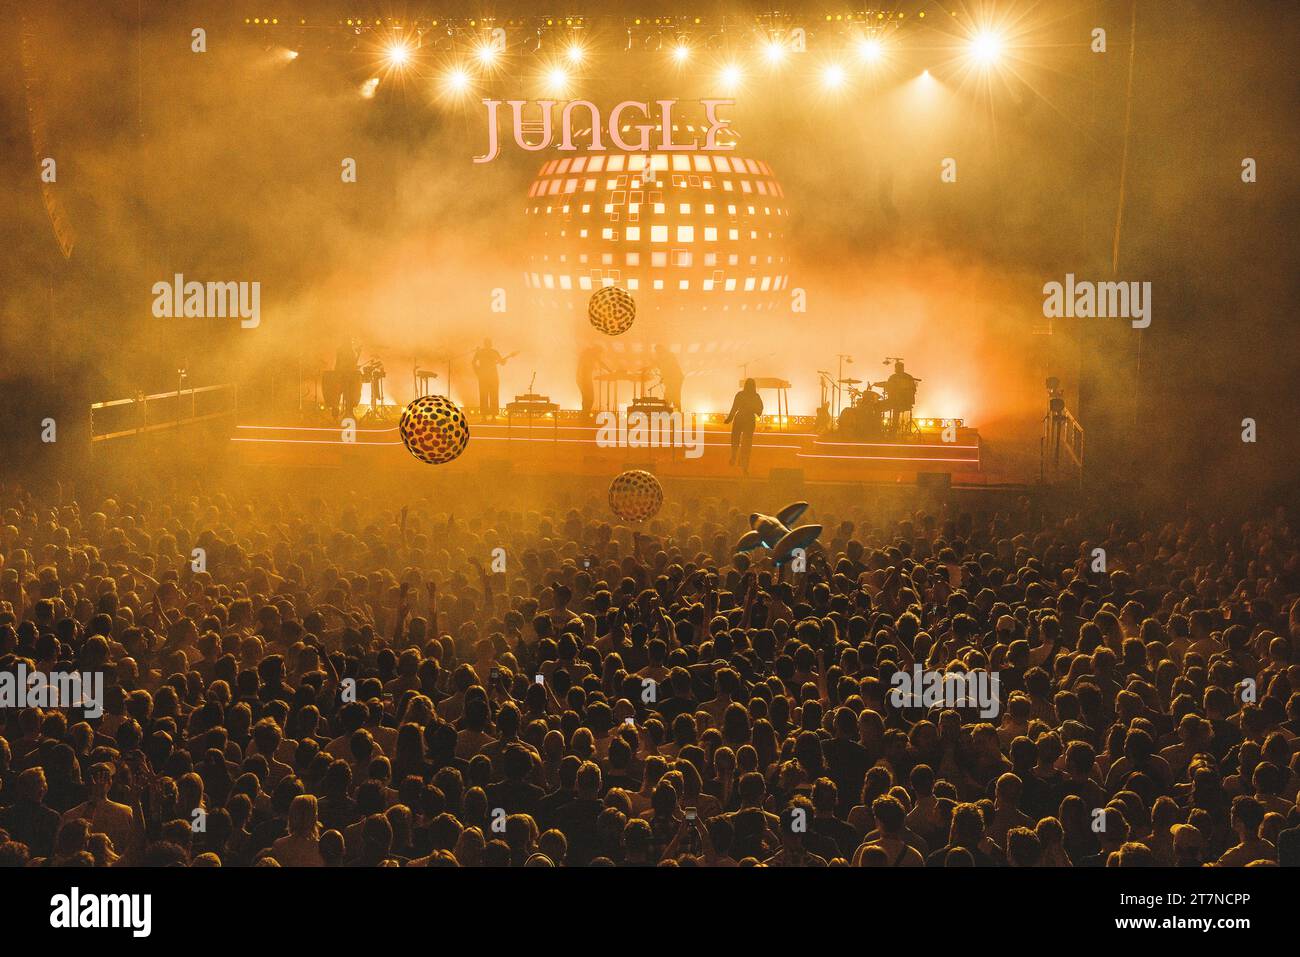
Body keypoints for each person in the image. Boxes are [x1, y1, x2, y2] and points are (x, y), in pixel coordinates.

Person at [724, 378, 764, 474]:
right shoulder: (756, 396)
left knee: (735, 438)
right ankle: (744, 466)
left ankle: (733, 456)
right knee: (747, 444)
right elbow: (760, 410)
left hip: (739, 418)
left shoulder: (740, 395)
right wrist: (753, 409)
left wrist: (729, 419)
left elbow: (734, 408)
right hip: (750, 420)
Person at [472, 338, 509, 417]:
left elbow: (501, 362)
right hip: (486, 376)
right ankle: (488, 416)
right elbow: (473, 362)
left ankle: (490, 416)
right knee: (488, 396)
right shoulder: (484, 352)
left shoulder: (492, 352)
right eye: (488, 343)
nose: (488, 344)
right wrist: (477, 371)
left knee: (491, 396)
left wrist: (505, 359)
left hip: (490, 377)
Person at [576, 344, 607, 415]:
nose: (599, 355)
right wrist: (610, 371)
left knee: (587, 398)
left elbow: (599, 363)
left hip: (583, 379)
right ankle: (585, 415)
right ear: (596, 351)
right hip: (584, 380)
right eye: (599, 353)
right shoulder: (590, 355)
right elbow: (601, 363)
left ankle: (585, 415)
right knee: (589, 398)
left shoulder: (588, 355)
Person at [653, 345, 684, 411]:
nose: (657, 353)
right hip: (675, 379)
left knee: (672, 397)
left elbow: (667, 368)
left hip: (675, 379)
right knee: (673, 397)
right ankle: (673, 413)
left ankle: (669, 412)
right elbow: (666, 369)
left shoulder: (668, 356)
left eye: (657, 352)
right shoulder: (666, 357)